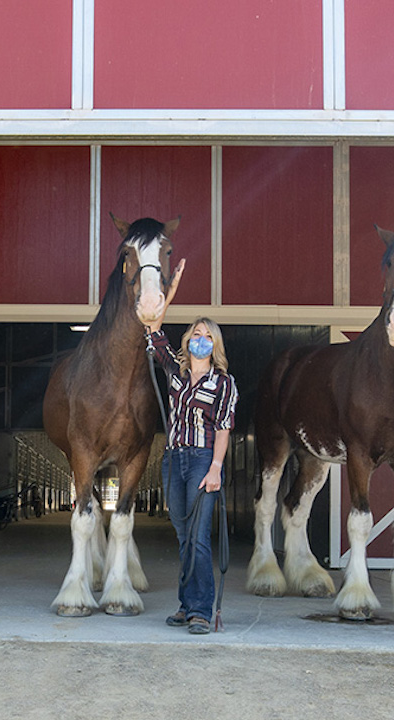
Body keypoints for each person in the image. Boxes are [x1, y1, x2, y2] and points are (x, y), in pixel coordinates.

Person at [147, 260, 238, 635]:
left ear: (214, 344)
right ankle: (186, 604)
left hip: (202, 460)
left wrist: (216, 467)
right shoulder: (175, 372)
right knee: (183, 537)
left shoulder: (224, 383)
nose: (200, 338)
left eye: (207, 334)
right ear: (188, 340)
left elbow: (224, 427)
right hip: (173, 461)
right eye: (195, 333)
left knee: (199, 538)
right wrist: (170, 292)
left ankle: (201, 609)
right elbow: (153, 330)